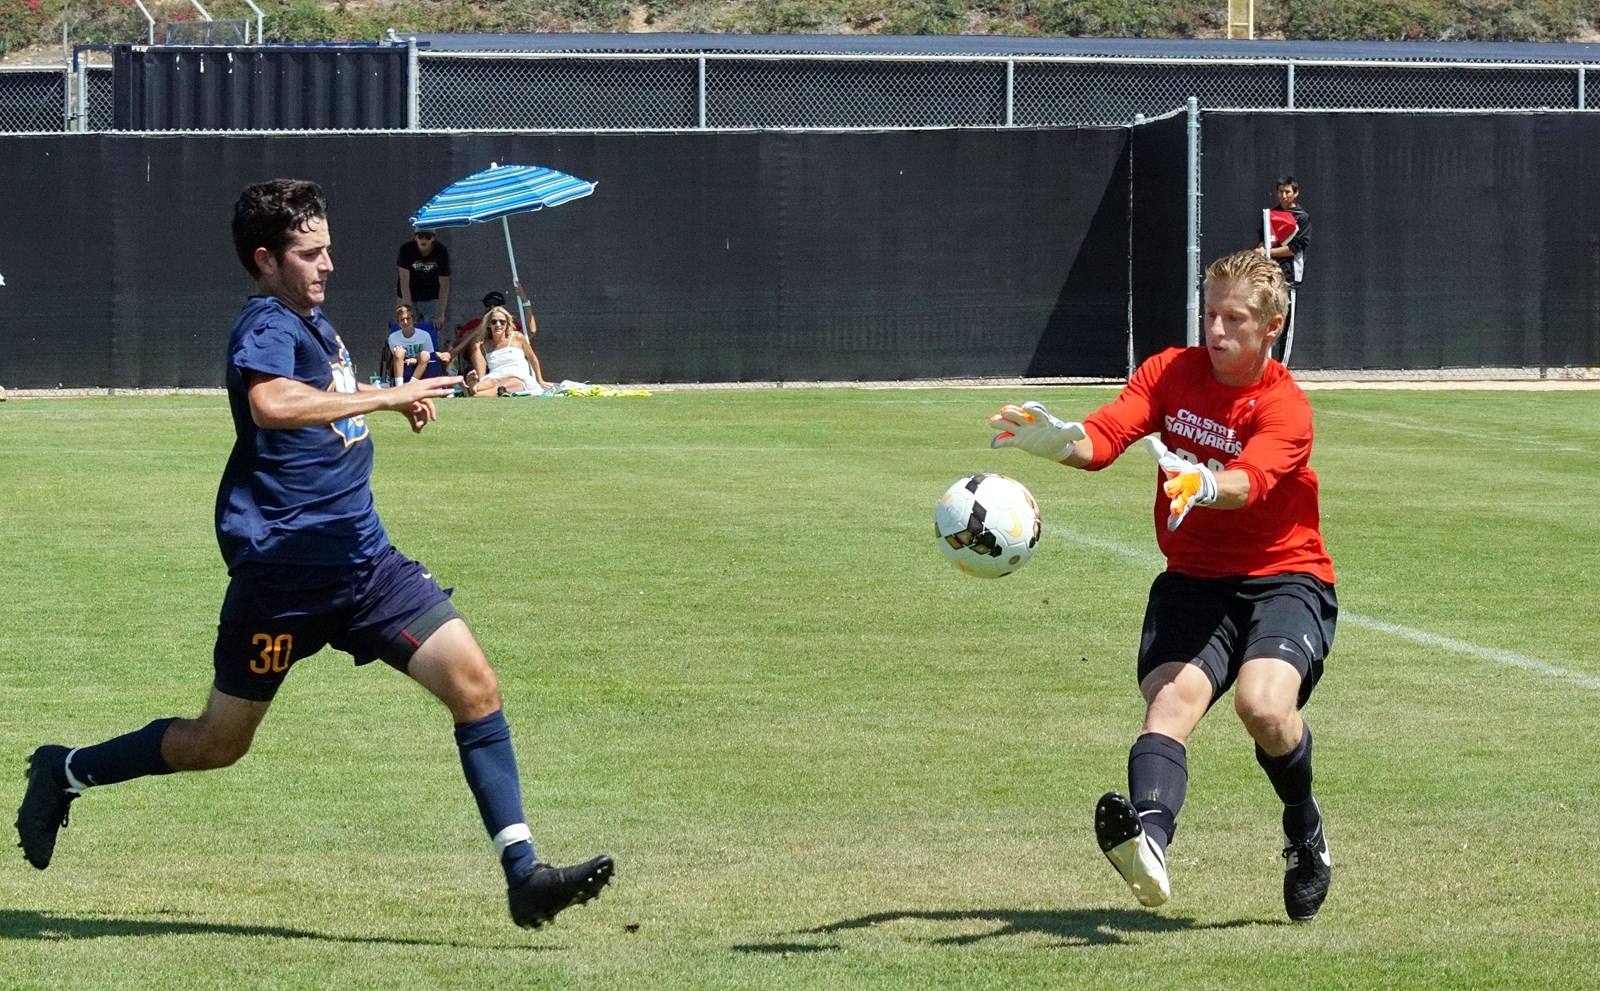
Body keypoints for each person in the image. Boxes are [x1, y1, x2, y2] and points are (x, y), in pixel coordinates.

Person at [14, 178, 612, 930]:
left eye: (328, 248)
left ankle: (524, 873)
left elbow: (321, 392)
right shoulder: (264, 321)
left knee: (476, 686)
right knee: (217, 743)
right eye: (310, 252)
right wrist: (382, 397)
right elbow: (272, 403)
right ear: (266, 260)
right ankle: (64, 770)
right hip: (284, 582)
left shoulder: (314, 323)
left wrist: (382, 391)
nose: (328, 264)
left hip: (365, 566)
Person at [988, 249, 1336, 923]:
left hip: (1283, 576)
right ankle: (1148, 841)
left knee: (1263, 709)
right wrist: (1058, 442)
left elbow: (1251, 480)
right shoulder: (1170, 372)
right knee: (1170, 704)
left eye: (1235, 318)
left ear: (1271, 325)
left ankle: (1304, 829)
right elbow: (1107, 435)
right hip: (1194, 581)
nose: (1216, 330)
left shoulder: (1285, 406)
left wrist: (1206, 482)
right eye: (1210, 313)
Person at [1255, 176, 1310, 362]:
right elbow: (1263, 240)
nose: (1283, 195)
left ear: (1295, 194)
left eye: (1287, 192)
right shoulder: (1269, 214)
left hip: (1289, 278)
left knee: (1285, 326)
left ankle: (1282, 369)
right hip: (1268, 277)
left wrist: (1267, 252)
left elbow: (1294, 248)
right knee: (1264, 321)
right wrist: (1261, 251)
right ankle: (1264, 366)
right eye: (1280, 191)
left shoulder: (1301, 218)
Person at [461, 304, 552, 396]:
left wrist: (540, 380)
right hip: (495, 376)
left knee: (500, 386)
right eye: (494, 322)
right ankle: (475, 388)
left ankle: (474, 393)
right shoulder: (484, 346)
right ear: (489, 324)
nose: (498, 325)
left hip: (517, 377)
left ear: (507, 323)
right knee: (490, 382)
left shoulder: (517, 337)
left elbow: (533, 358)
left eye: (502, 322)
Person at [396, 228, 451, 328]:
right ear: (415, 237)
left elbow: (444, 283)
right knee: (407, 326)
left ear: (433, 238)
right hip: (408, 295)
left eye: (428, 237)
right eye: (420, 236)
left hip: (431, 296)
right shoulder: (406, 249)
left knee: (434, 327)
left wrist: (441, 313)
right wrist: (408, 309)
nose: (424, 240)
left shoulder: (441, 251)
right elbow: (404, 281)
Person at [387, 303, 449, 384]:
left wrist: (415, 359)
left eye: (408, 318)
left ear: (413, 320)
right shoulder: (393, 338)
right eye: (402, 320)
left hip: (422, 363)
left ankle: (412, 384)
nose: (405, 322)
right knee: (399, 352)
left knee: (425, 355)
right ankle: (399, 386)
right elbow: (395, 357)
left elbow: (429, 355)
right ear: (398, 323)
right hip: (402, 363)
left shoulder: (424, 335)